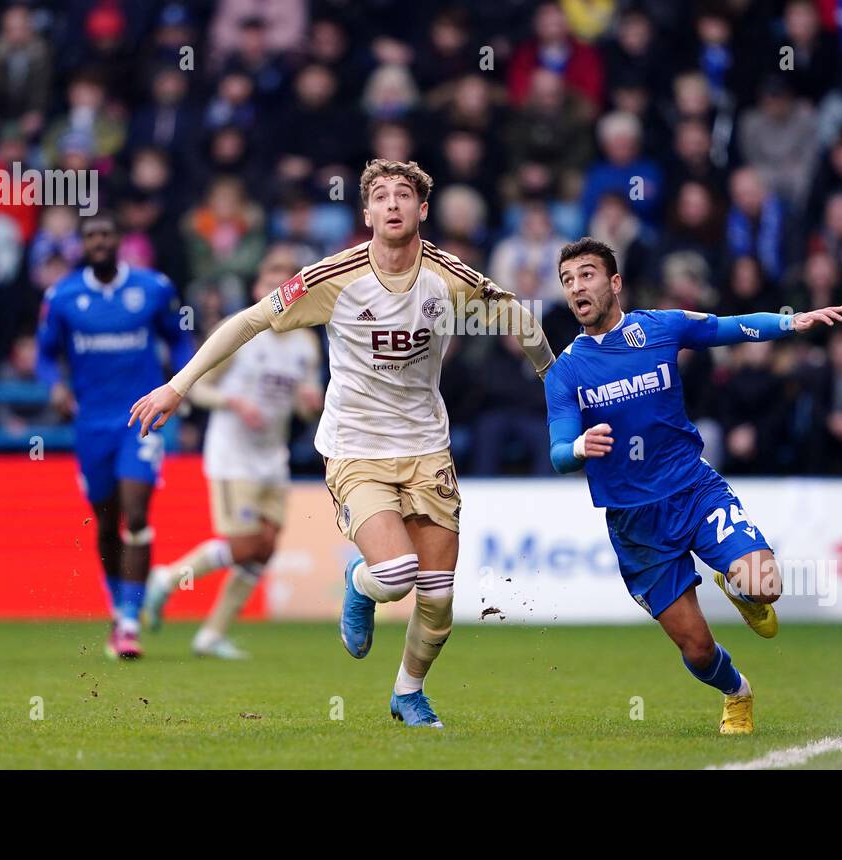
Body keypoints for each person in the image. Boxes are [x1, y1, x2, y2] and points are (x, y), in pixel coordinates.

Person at [128, 159, 554, 728]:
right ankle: (360, 582)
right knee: (396, 574)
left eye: (406, 195)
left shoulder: (452, 275)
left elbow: (519, 321)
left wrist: (555, 380)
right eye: (382, 196)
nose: (394, 204)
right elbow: (247, 321)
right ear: (367, 211)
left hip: (428, 447)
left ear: (423, 210)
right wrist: (178, 386)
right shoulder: (334, 276)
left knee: (438, 598)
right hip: (357, 447)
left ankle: (408, 693)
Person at [542, 237, 842, 734]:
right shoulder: (566, 372)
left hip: (693, 489)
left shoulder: (659, 328)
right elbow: (558, 454)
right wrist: (577, 448)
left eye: (587, 274)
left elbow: (730, 328)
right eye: (568, 279)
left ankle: (736, 584)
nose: (577, 286)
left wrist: (791, 322)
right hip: (636, 522)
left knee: (766, 586)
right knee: (698, 648)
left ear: (614, 283)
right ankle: (737, 693)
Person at [143, 245, 324, 659]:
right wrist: (233, 403)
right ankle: (168, 579)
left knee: (265, 547)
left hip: (272, 457)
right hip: (232, 455)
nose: (278, 289)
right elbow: (197, 386)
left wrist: (308, 400)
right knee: (243, 545)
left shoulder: (306, 344)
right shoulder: (239, 331)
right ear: (258, 288)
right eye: (269, 281)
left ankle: (211, 634)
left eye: (287, 282)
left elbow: (300, 399)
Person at [36, 212, 193, 659]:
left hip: (139, 418)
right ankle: (118, 603)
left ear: (118, 240)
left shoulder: (153, 288)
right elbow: (45, 356)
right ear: (82, 245)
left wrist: (178, 385)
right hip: (91, 425)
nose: (99, 241)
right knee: (106, 522)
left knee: (137, 511)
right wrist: (56, 387)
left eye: (106, 233)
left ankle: (129, 620)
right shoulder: (63, 296)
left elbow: (178, 339)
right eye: (91, 236)